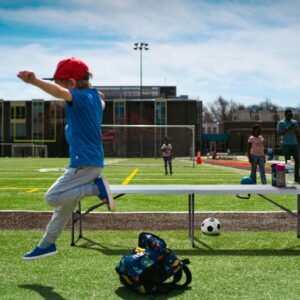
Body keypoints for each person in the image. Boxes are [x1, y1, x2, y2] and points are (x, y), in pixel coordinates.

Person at [17, 58, 115, 260]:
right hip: (89, 161)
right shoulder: (95, 97)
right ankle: (47, 244)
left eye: (59, 81)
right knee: (62, 210)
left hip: (84, 164)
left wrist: (34, 81)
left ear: (71, 83)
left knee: (52, 198)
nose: (57, 85)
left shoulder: (79, 97)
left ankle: (97, 189)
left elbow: (60, 93)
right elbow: (101, 101)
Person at [277, 108, 300, 183]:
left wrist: (296, 129)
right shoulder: (281, 122)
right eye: (289, 115)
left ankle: (296, 177)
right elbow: (278, 133)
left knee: (297, 161)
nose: (290, 116)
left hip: (294, 144)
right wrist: (287, 129)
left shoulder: (294, 122)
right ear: (285, 115)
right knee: (288, 161)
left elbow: (298, 133)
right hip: (286, 144)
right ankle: (289, 176)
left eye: (291, 115)